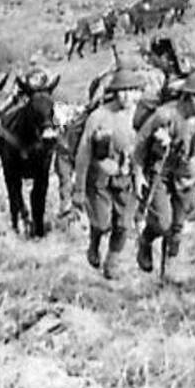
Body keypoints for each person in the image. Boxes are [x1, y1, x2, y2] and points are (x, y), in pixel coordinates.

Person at [133, 70, 195, 276]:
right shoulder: (166, 114)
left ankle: (168, 273)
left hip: (188, 177)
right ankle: (146, 240)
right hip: (161, 173)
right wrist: (138, 174)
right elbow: (140, 144)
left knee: (177, 228)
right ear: (187, 96)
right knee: (164, 223)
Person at [71, 68, 142, 280]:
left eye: (131, 91)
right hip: (100, 178)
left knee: (124, 224)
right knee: (102, 223)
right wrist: (79, 189)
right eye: (122, 91)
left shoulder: (143, 116)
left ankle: (112, 263)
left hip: (127, 177)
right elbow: (84, 153)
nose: (127, 96)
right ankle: (94, 242)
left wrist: (140, 175)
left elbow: (145, 150)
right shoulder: (99, 116)